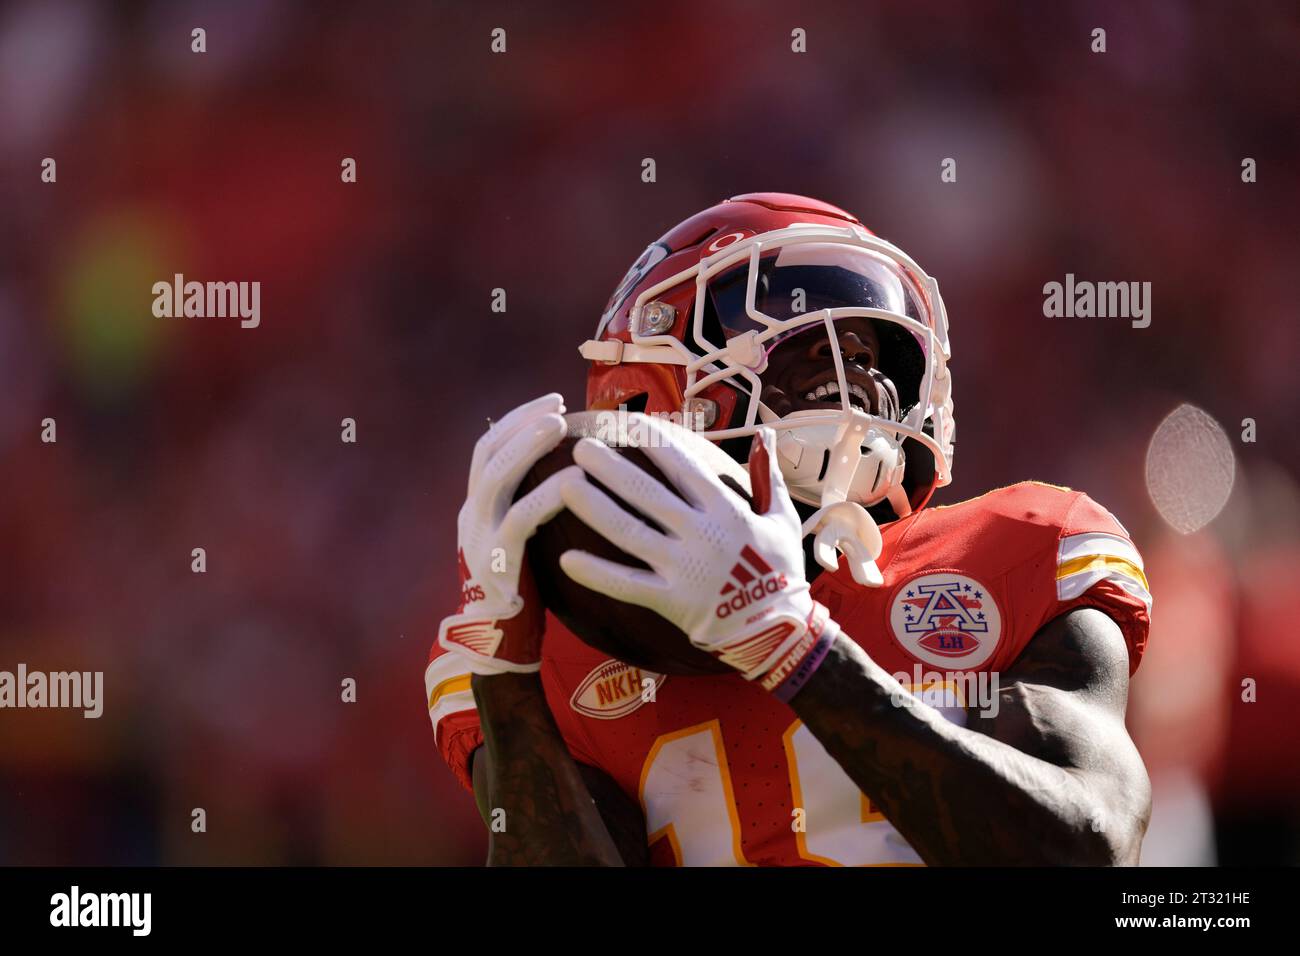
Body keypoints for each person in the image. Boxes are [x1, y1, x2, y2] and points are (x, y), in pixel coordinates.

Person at [425, 193, 1153, 865]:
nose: (852, 356)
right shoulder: (573, 642)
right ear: (650, 379)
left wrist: (795, 648)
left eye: (868, 340)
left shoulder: (1015, 549)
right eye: (785, 315)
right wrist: (507, 686)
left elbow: (1090, 844)